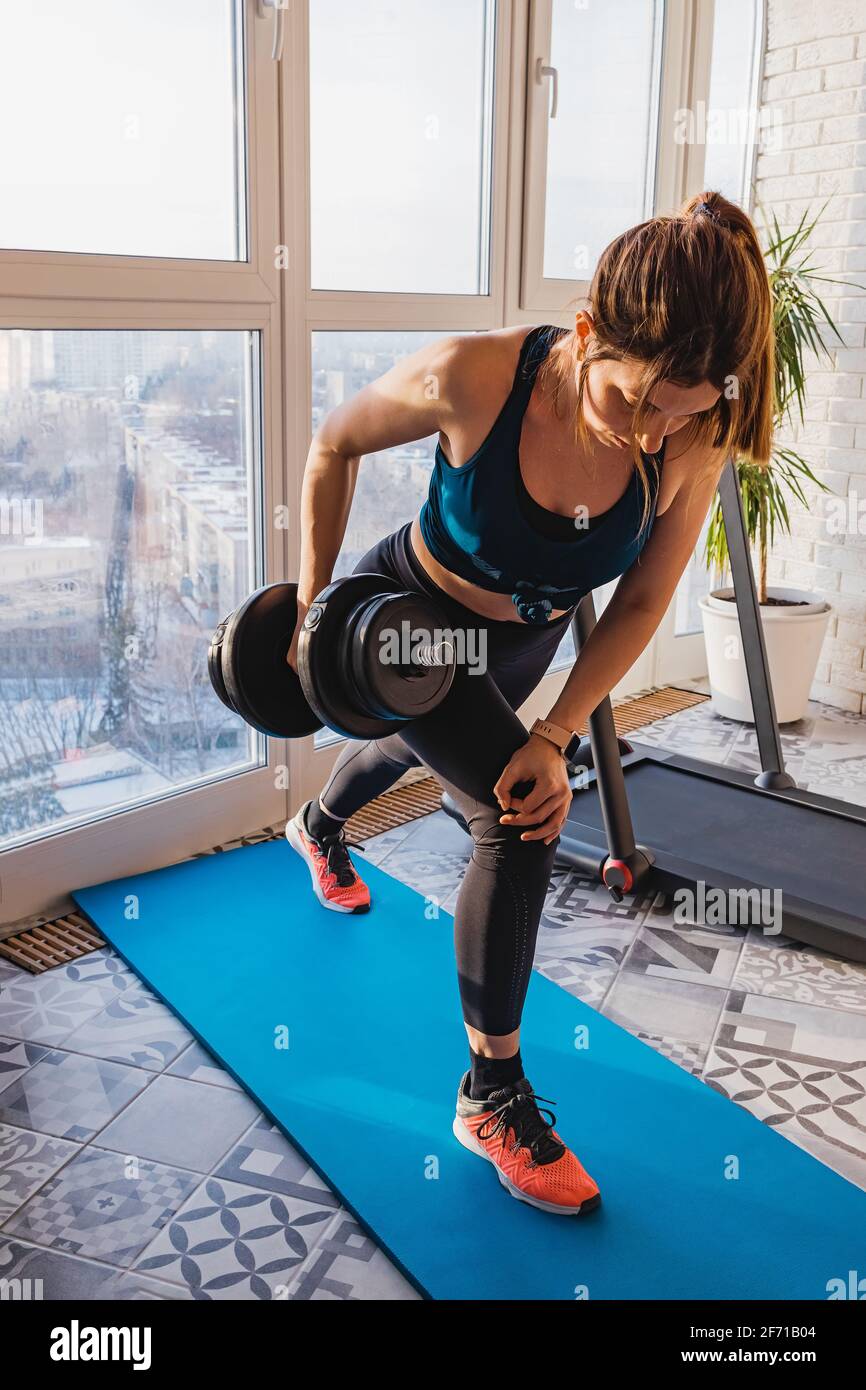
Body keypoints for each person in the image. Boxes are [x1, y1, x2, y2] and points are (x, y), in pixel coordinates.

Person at [284, 191, 774, 1215]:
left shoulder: (694, 425)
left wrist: (555, 729)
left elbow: (641, 597)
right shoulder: (473, 374)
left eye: (677, 411)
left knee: (416, 757)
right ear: (587, 333)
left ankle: (317, 823)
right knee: (516, 817)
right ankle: (488, 1094)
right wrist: (304, 604)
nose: (654, 432)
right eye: (634, 403)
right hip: (407, 620)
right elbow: (332, 445)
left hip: (520, 640)